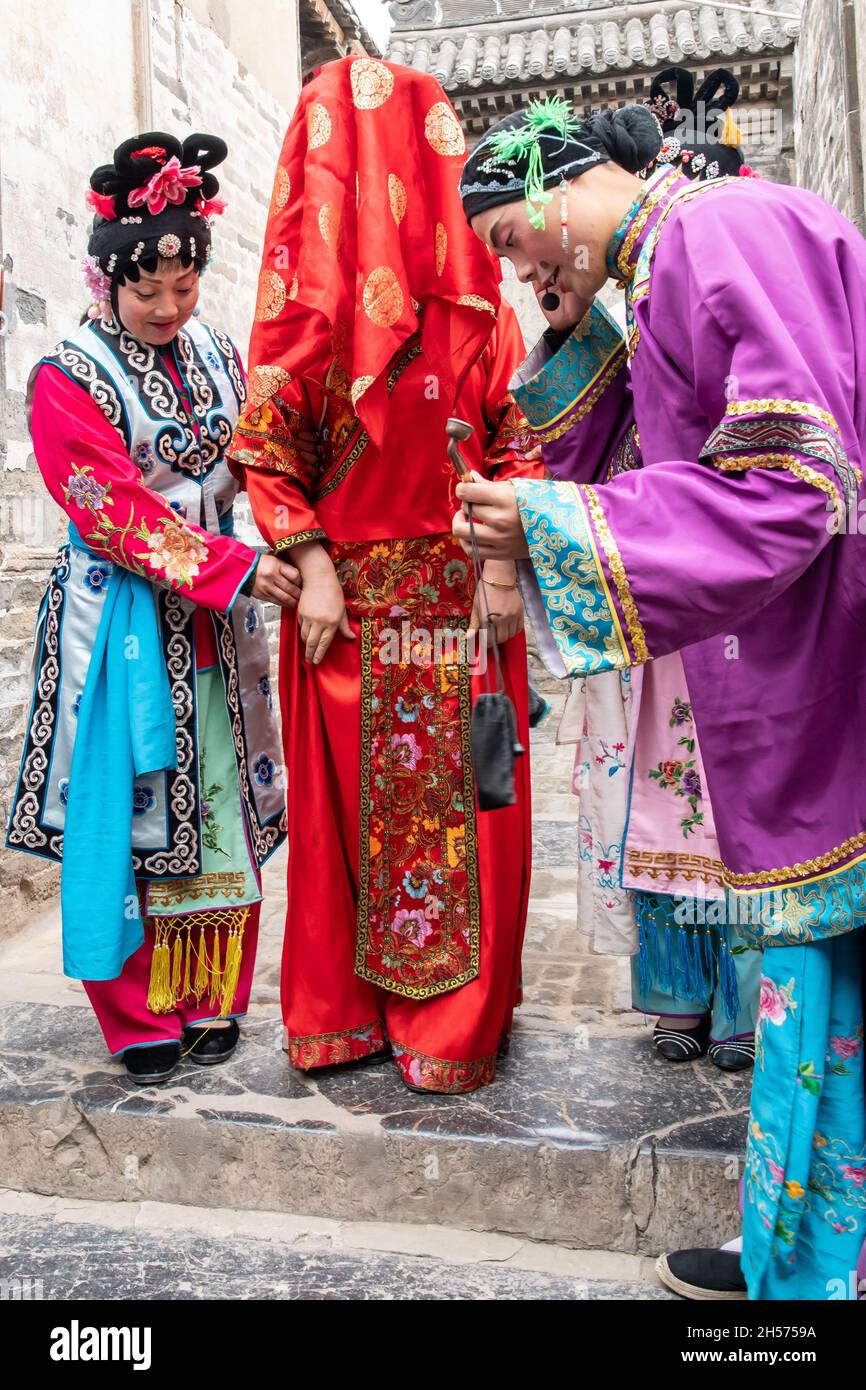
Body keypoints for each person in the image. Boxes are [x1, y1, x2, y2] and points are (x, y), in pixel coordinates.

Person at [453, 90, 866, 1298]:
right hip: (806, 661)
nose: (511, 267)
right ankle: (806, 1256)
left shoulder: (713, 231)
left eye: (503, 242)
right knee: (823, 985)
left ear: (540, 198)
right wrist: (578, 332)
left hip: (821, 659)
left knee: (819, 983)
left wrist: (545, 522)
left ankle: (805, 1268)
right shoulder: (671, 258)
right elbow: (645, 464)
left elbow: (792, 483)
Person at [228, 57, 543, 1095]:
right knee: (345, 831)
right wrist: (309, 562)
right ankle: (346, 1017)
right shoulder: (300, 327)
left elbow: (515, 443)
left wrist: (501, 567)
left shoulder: (474, 309)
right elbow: (266, 456)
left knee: (471, 819)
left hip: (461, 604)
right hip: (345, 619)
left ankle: (452, 1027)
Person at [6, 132, 296, 1084]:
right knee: (130, 818)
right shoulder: (68, 378)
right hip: (127, 622)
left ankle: (214, 994)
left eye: (185, 287)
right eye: (147, 294)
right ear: (105, 284)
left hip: (218, 623)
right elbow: (112, 510)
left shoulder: (212, 347)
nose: (170, 308)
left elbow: (255, 449)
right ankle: (137, 1014)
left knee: (221, 809)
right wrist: (238, 564)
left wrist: (283, 527)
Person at [507, 69, 762, 1072]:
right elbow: (566, 445)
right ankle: (675, 998)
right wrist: (570, 319)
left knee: (730, 795)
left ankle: (744, 1002)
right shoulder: (621, 330)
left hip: (728, 584)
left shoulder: (731, 292)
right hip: (645, 587)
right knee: (652, 792)